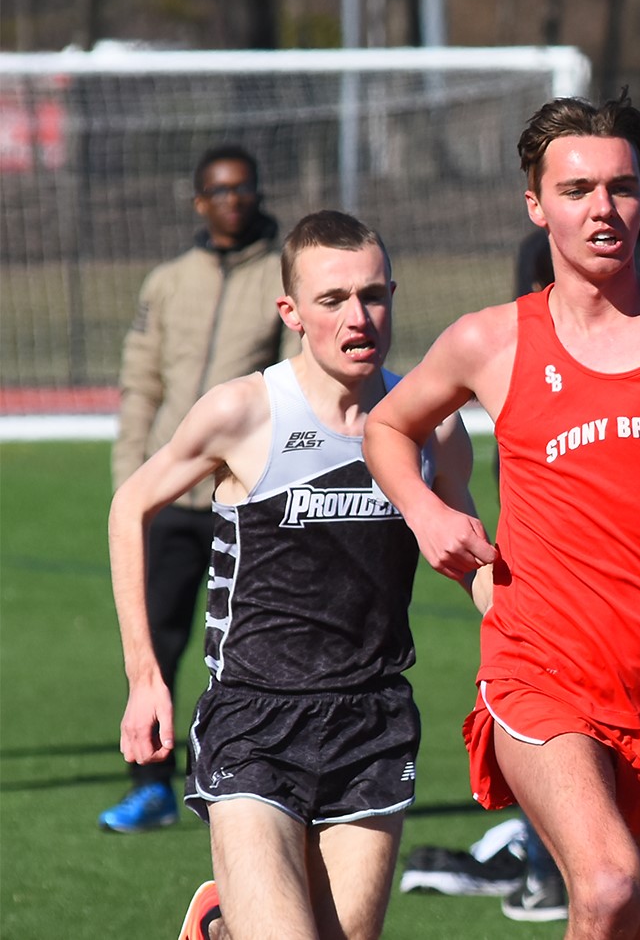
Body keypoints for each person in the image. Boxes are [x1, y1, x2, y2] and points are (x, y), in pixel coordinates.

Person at [362, 93, 640, 940]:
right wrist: (424, 510)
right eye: (577, 189)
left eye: (623, 187)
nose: (604, 209)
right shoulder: (494, 341)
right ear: (537, 204)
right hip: (543, 670)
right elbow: (387, 423)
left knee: (628, 921)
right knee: (605, 886)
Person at [109, 211, 477, 940]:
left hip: (371, 721)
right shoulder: (247, 411)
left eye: (373, 295)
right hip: (254, 718)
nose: (358, 316)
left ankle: (223, 928)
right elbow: (130, 506)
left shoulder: (429, 424)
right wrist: (145, 675)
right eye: (333, 299)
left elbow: (471, 558)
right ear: (292, 312)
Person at [102, 142, 294, 834]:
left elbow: (295, 387)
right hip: (171, 502)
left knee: (252, 646)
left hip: (245, 504)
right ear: (198, 201)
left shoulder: (284, 274)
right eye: (219, 190)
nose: (233, 200)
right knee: (154, 639)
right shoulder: (167, 282)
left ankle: (252, 777)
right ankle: (149, 783)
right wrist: (134, 483)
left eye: (244, 188)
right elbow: (141, 388)